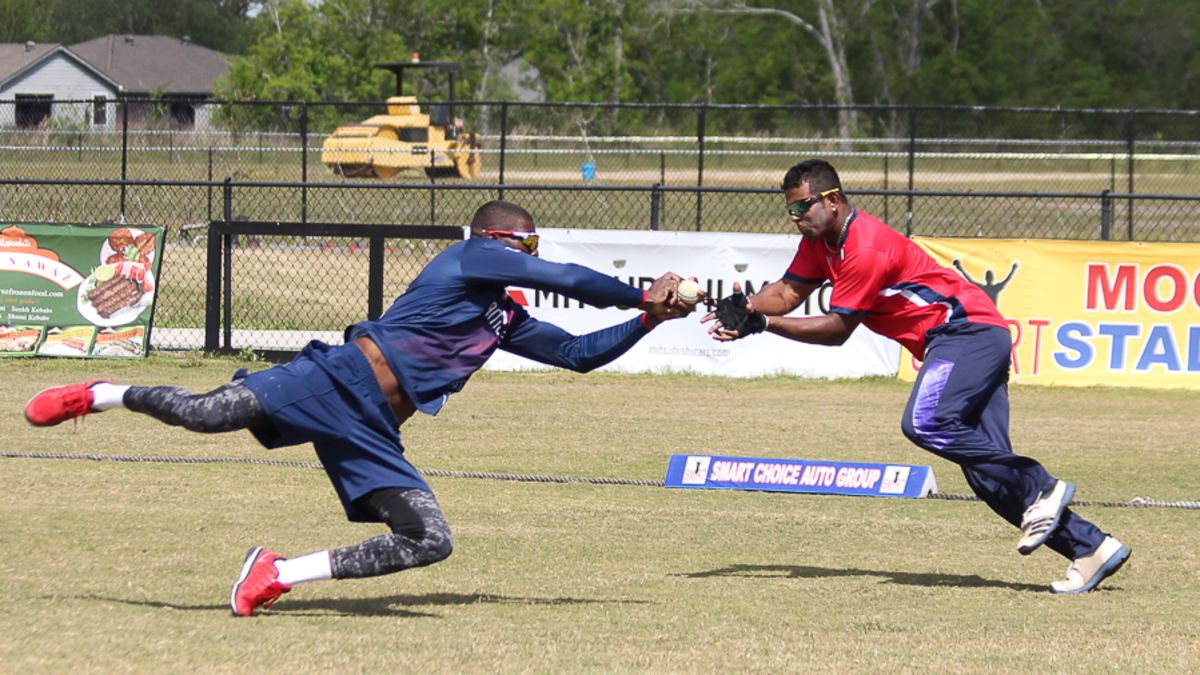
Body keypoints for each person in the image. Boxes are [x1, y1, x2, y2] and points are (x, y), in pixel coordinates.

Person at [25, 200, 692, 616]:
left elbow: (577, 353)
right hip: (339, 377)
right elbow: (571, 281)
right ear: (496, 240)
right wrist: (639, 295)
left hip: (373, 425)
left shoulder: (502, 317)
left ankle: (276, 572)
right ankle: (101, 393)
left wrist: (650, 321)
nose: (528, 260)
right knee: (205, 414)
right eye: (524, 248)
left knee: (430, 538)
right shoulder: (467, 254)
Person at [702, 159, 1129, 594]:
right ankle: (1091, 547)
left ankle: (1042, 485)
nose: (796, 219)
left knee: (924, 422)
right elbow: (789, 292)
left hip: (966, 333)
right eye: (790, 211)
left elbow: (837, 331)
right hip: (964, 339)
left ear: (833, 200)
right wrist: (749, 307)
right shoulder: (821, 242)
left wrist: (765, 325)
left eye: (803, 208)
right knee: (987, 475)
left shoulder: (864, 248)